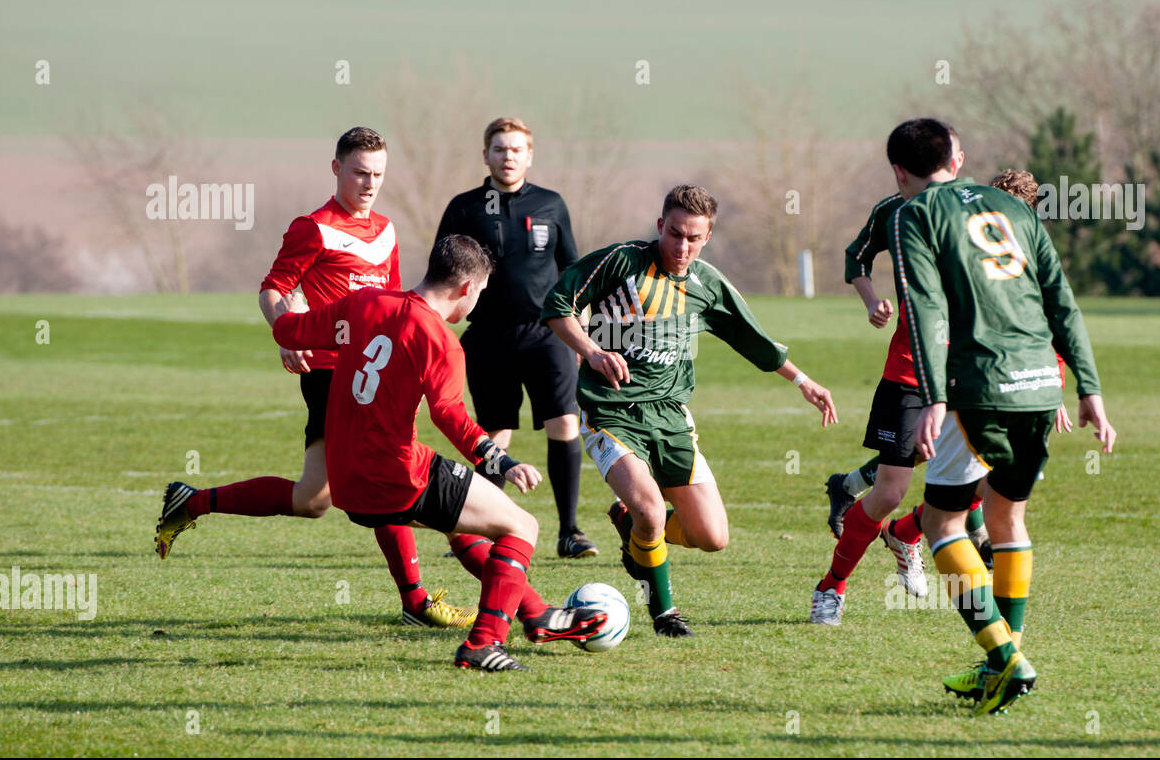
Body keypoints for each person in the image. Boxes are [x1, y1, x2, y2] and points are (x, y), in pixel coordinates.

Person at [154, 127, 474, 629]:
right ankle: (418, 600)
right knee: (387, 478)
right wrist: (285, 334)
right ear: (336, 168)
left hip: (372, 373)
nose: (369, 184)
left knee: (313, 499)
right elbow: (273, 288)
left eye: (378, 175)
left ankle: (193, 501)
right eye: (360, 173)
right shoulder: (313, 228)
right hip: (329, 372)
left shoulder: (387, 231)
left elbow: (393, 306)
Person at [270, 234, 608, 671]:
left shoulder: (365, 303)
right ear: (467, 288)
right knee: (521, 526)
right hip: (396, 475)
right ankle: (484, 644)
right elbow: (451, 417)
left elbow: (287, 330)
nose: (477, 302)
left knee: (465, 530)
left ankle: (538, 613)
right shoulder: (441, 340)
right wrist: (502, 460)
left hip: (348, 481)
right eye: (481, 292)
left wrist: (292, 308)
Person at [885, 118, 1115, 715]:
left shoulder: (913, 214)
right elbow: (1061, 298)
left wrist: (935, 396)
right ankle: (1001, 660)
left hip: (979, 386)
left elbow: (925, 305)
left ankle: (1005, 657)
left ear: (898, 172)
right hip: (1041, 386)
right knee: (1008, 522)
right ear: (955, 159)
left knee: (942, 525)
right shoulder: (1012, 207)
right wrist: (1088, 388)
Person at [541, 184, 838, 637]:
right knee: (652, 512)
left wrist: (804, 381)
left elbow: (751, 339)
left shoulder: (707, 284)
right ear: (660, 226)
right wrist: (593, 351)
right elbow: (557, 305)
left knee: (712, 538)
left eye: (693, 238)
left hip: (673, 417)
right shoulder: (621, 261)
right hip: (612, 411)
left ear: (708, 236)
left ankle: (630, 525)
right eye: (675, 233)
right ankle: (664, 614)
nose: (682, 246)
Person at [812, 130, 970, 627]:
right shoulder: (895, 212)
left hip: (968, 372)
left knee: (982, 486)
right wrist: (871, 298)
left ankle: (905, 533)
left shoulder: (976, 211)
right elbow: (854, 256)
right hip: (910, 371)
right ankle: (831, 586)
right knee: (889, 490)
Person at [435, 117, 598, 560]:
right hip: (486, 337)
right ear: (486, 155)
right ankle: (475, 531)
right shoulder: (464, 208)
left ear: (530, 155)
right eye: (500, 149)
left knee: (564, 424)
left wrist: (579, 332)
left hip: (548, 334)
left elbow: (573, 270)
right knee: (493, 435)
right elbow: (443, 273)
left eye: (516, 150)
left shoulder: (551, 204)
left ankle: (570, 532)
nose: (508, 157)